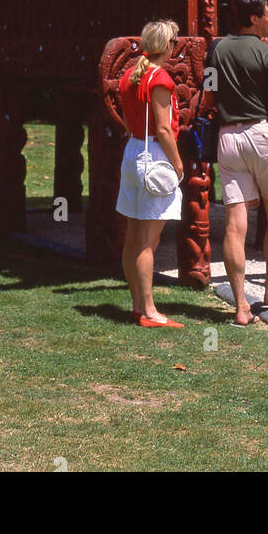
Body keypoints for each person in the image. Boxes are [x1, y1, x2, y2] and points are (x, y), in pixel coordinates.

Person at [208, 0, 268, 325]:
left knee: (235, 222)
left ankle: (240, 306)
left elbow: (208, 96)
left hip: (228, 138)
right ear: (253, 18)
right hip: (262, 135)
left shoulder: (216, 50)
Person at [116, 18, 185, 328]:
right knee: (148, 240)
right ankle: (150, 311)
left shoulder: (130, 75)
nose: (176, 47)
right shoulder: (160, 79)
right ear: (166, 45)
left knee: (133, 235)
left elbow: (132, 120)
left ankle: (137, 304)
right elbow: (163, 129)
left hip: (132, 150)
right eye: (174, 42)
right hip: (154, 154)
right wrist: (178, 164)